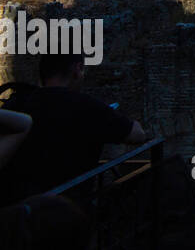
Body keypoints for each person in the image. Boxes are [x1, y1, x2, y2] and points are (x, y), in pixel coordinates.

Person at [0, 54, 148, 206]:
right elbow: (137, 135)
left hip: (14, 208)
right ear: (77, 69)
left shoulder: (19, 104)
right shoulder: (86, 106)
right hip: (66, 207)